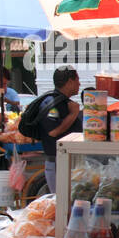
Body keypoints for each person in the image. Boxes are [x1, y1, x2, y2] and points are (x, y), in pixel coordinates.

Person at [32, 66, 82, 194]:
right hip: (58, 163)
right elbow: (53, 131)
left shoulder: (65, 102)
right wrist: (73, 114)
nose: (79, 84)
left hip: (69, 162)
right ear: (70, 81)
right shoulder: (52, 103)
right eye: (77, 80)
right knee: (60, 205)